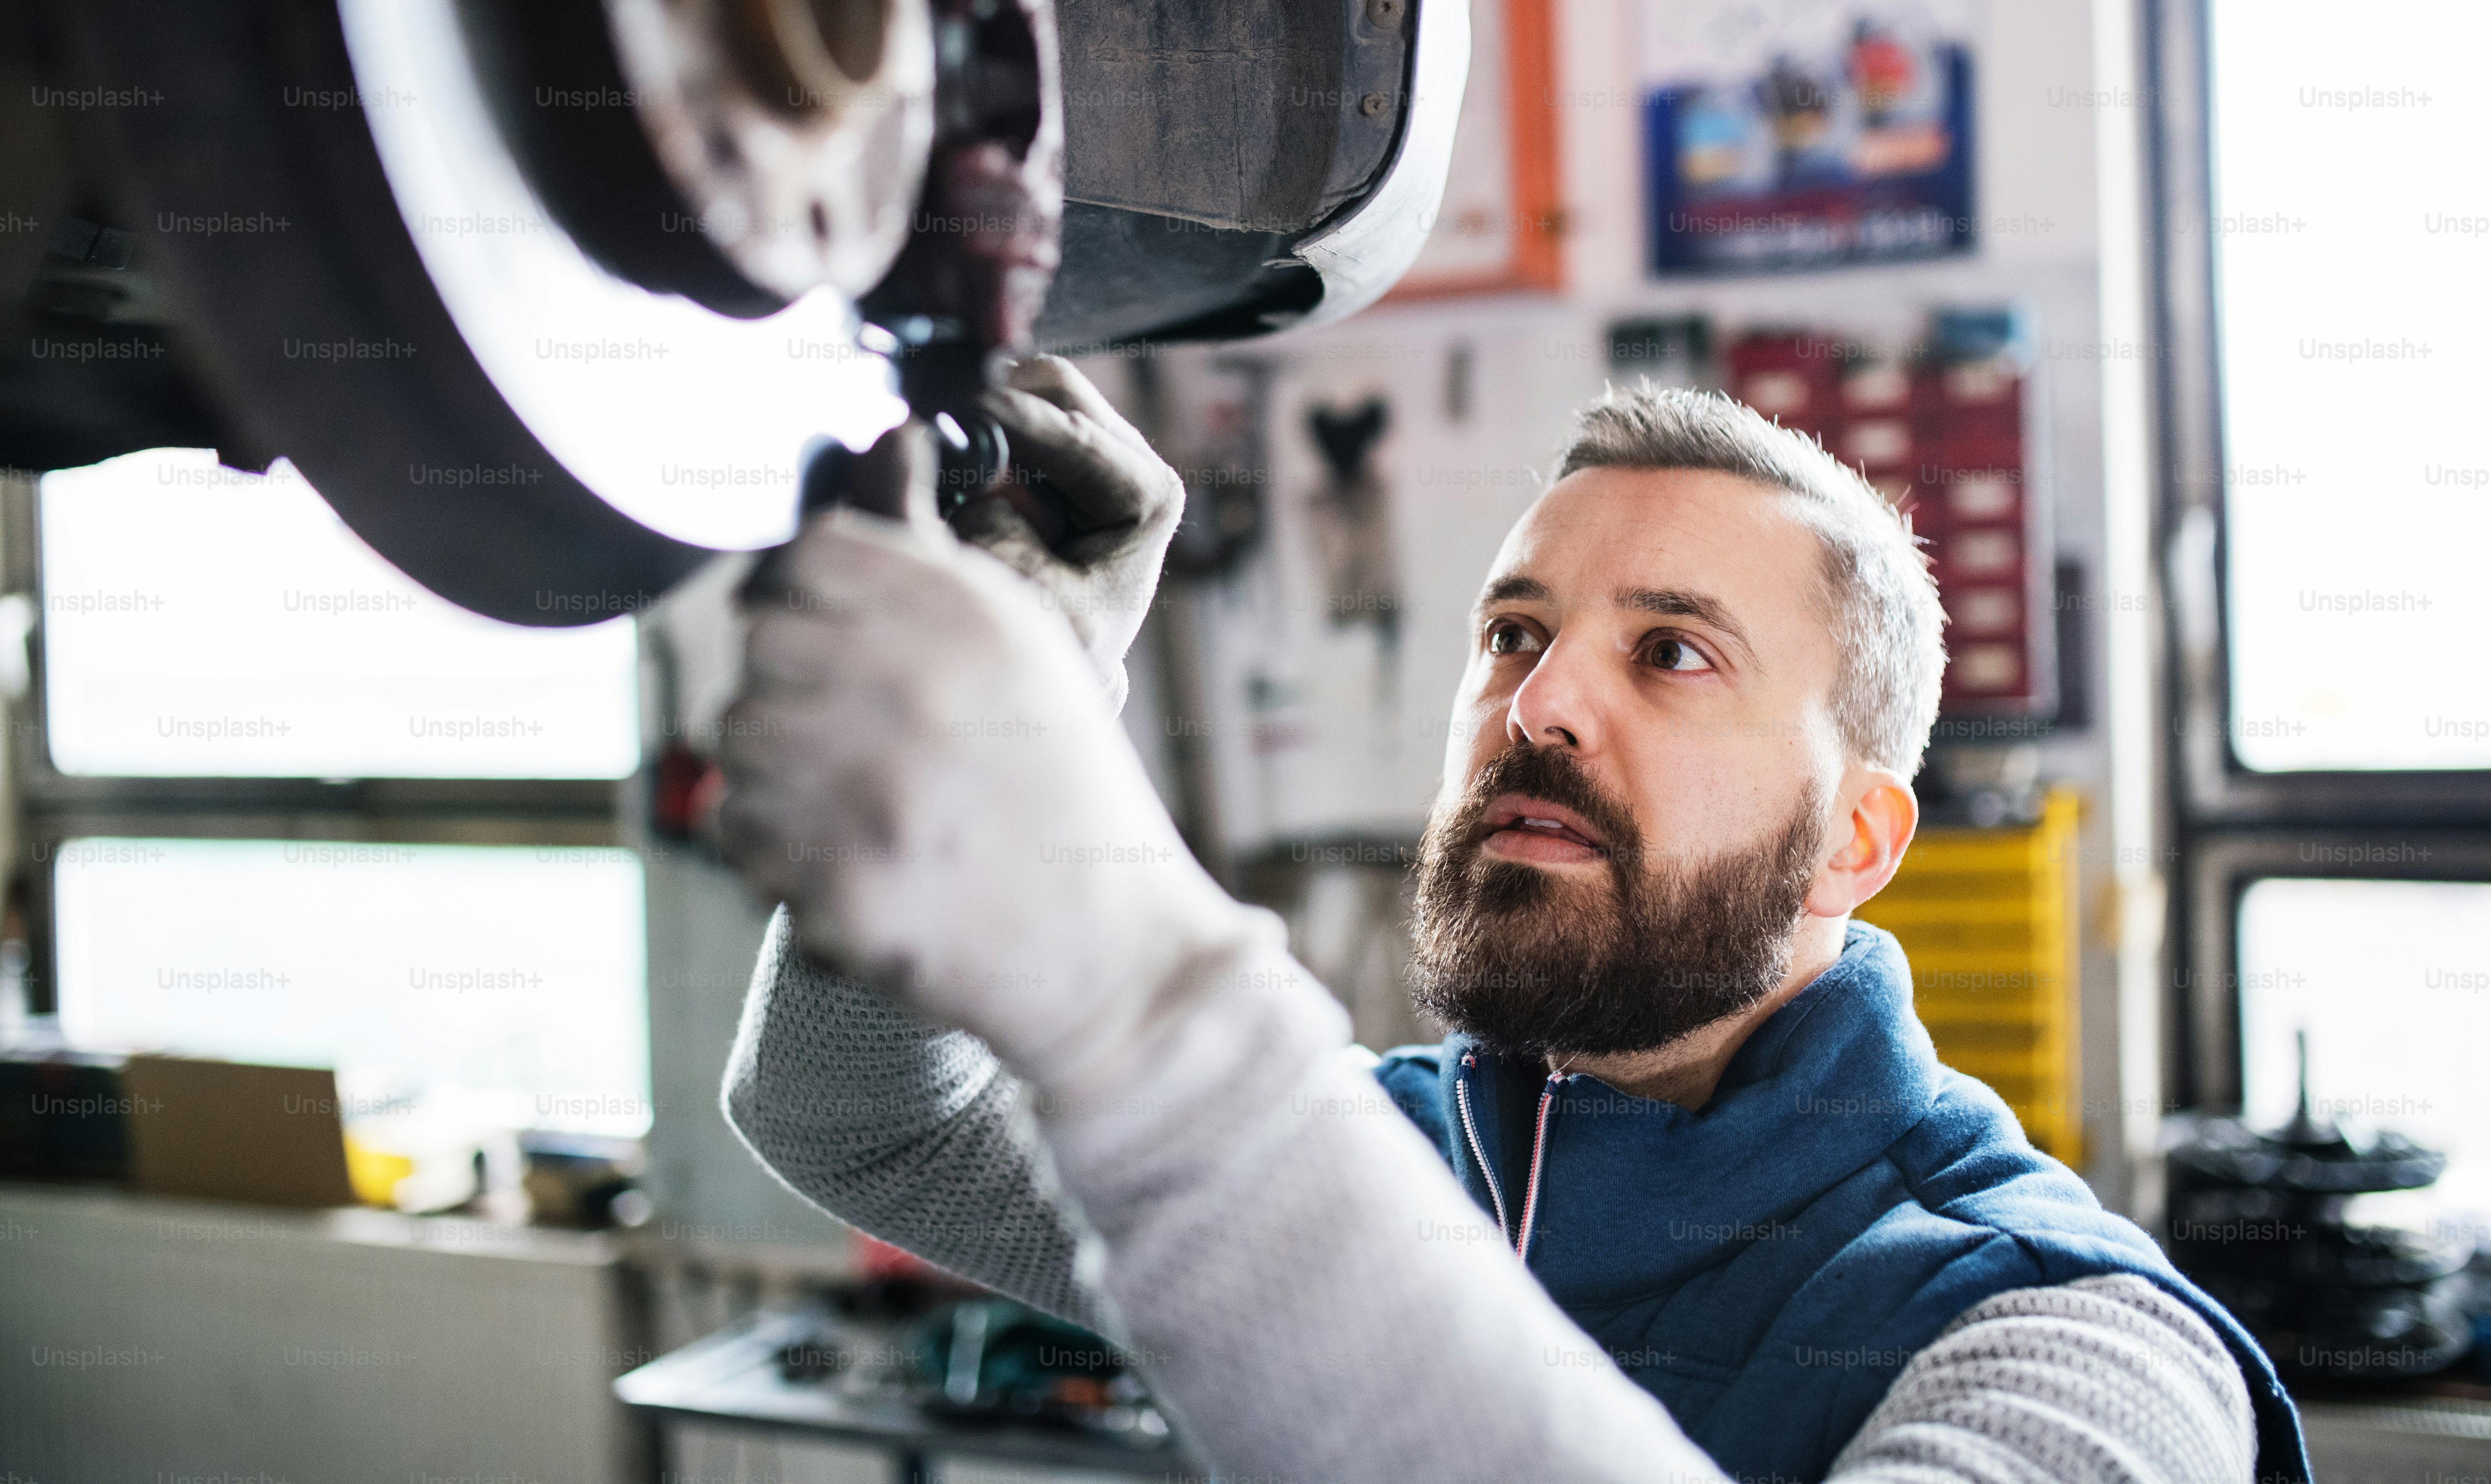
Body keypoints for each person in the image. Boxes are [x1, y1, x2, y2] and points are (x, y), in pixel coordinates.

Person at [715, 358, 2307, 1484]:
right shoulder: (1417, 1161)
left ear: (1854, 838)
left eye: (1673, 652)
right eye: (1513, 633)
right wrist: (1033, 680)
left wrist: (1147, 1001)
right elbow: (856, 1117)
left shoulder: (2075, 1345)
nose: (1537, 706)